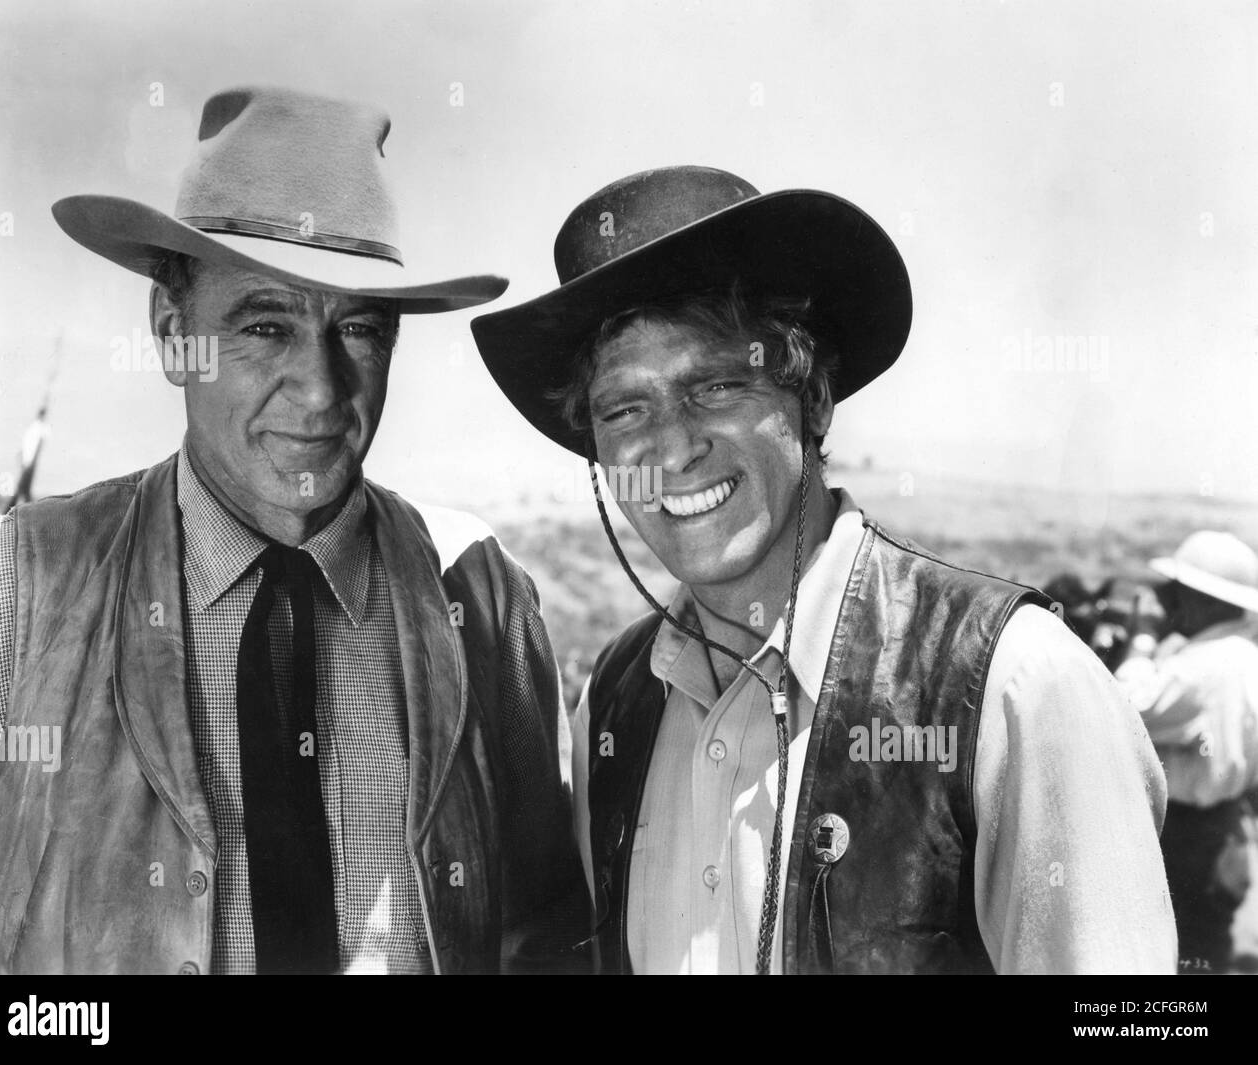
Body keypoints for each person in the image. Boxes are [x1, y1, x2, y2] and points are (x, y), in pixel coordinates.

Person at [471, 165, 1176, 973]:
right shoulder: (616, 701)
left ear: (813, 400)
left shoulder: (1016, 686)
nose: (671, 447)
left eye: (718, 385)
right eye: (625, 409)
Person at [0, 86, 588, 974]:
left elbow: (549, 931)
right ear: (173, 333)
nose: (322, 390)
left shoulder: (475, 593)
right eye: (265, 325)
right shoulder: (12, 586)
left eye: (359, 329)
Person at [1116, 531, 1258, 973]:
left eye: (1179, 594)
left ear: (1205, 601)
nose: (1169, 603)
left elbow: (1124, 708)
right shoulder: (1245, 658)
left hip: (1184, 837)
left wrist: (1141, 640)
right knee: (1204, 952)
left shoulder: (1201, 668)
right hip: (1226, 831)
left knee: (1164, 954)